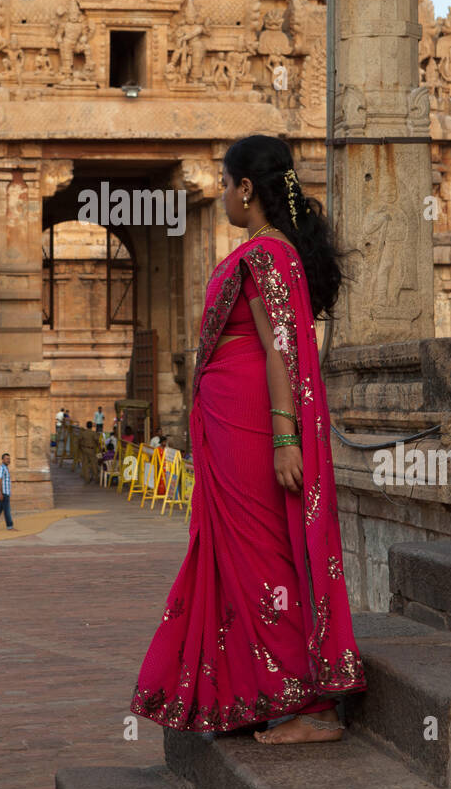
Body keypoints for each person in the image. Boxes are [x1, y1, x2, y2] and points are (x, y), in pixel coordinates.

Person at [130, 134, 367, 742]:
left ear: (247, 190)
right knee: (238, 558)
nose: (219, 192)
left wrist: (285, 438)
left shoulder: (267, 255)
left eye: (225, 181)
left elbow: (281, 347)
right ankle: (250, 693)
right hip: (235, 424)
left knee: (262, 556)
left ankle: (312, 708)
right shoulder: (268, 252)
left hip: (252, 427)